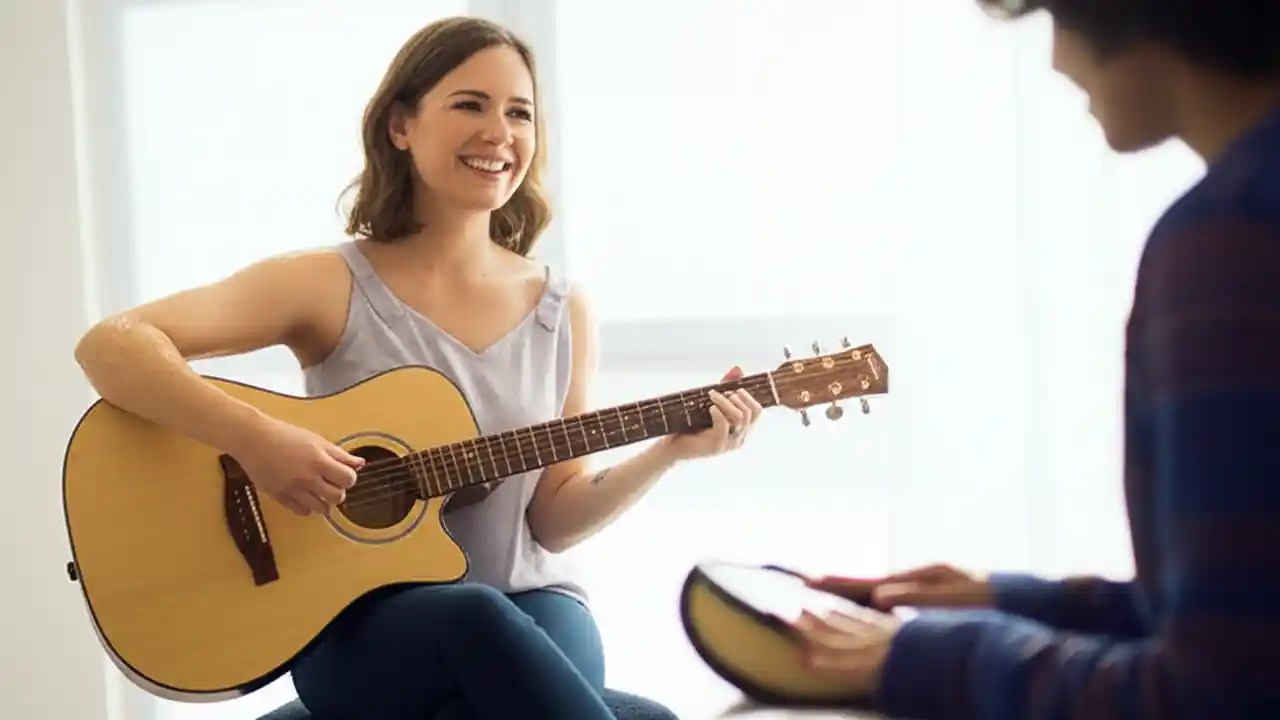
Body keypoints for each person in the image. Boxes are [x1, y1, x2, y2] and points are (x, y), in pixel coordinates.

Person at [72, 16, 764, 720]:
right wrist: (256, 440)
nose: (502, 132)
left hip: (534, 604)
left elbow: (553, 522)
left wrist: (669, 452)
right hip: (362, 627)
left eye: (519, 112)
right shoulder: (327, 283)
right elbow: (112, 344)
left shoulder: (562, 309)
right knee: (477, 624)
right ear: (401, 125)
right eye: (471, 104)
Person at [788, 0, 1280, 718]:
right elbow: (1248, 616)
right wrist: (1009, 598)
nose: (1055, 58)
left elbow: (1220, 692)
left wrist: (924, 654)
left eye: (1058, 15)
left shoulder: (1230, 238)